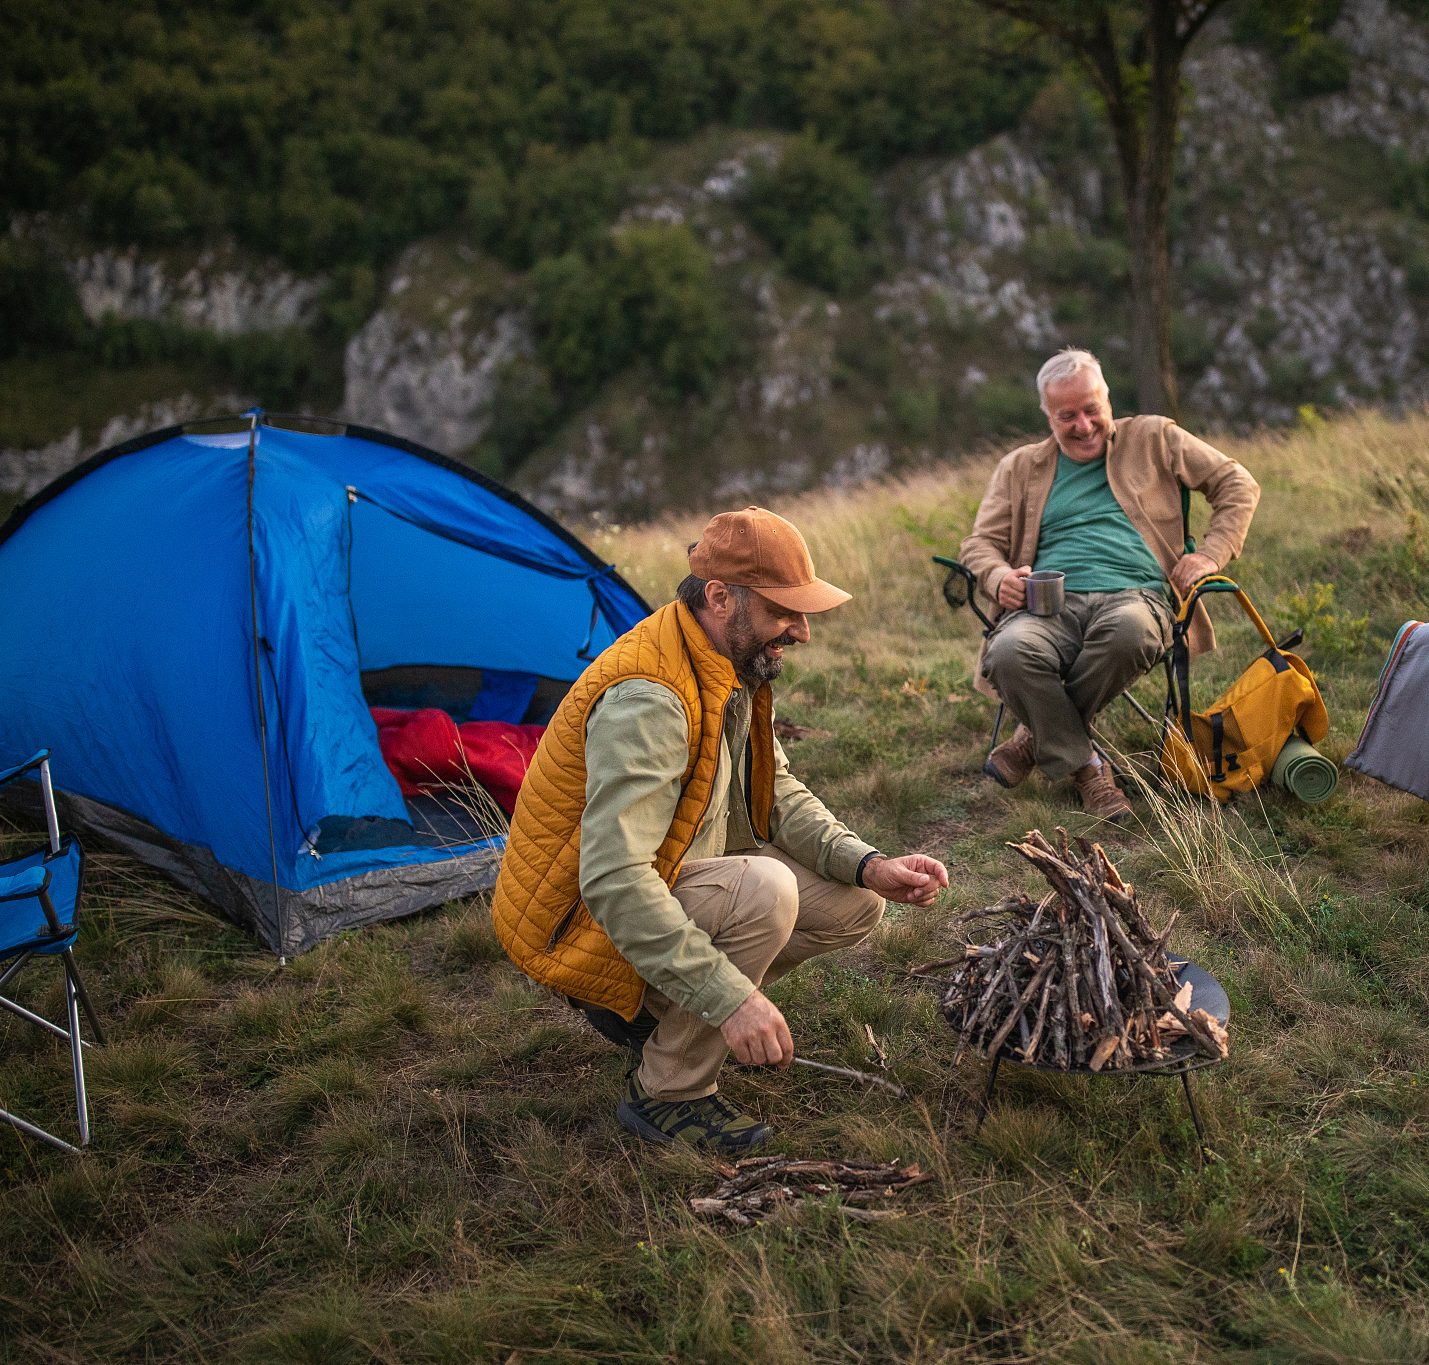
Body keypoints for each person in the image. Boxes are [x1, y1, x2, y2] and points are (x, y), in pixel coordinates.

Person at [492, 507, 950, 1152]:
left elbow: (778, 790)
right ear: (718, 597)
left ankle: (667, 1011)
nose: (803, 631)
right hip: (577, 925)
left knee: (856, 902)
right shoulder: (649, 697)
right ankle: (666, 1093)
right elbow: (612, 877)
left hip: (669, 877)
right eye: (784, 612)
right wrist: (731, 999)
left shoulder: (727, 660)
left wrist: (869, 862)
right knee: (764, 890)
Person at [959, 348, 1260, 819]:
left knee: (1129, 634)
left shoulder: (1156, 437)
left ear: (1107, 398)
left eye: (1091, 409)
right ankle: (1089, 770)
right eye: (1066, 416)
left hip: (1135, 596)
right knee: (1008, 652)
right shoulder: (1019, 467)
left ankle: (1036, 739)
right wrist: (997, 577)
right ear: (1047, 415)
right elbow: (979, 545)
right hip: (1046, 604)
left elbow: (1236, 483)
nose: (1082, 425)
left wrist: (1209, 555)